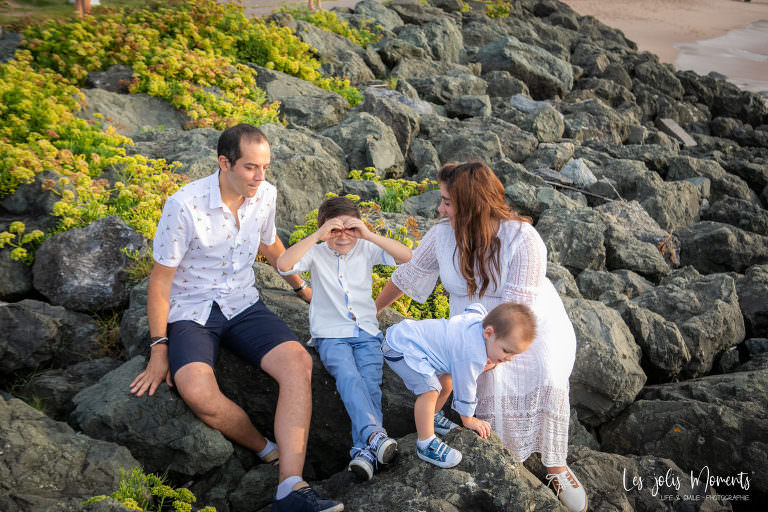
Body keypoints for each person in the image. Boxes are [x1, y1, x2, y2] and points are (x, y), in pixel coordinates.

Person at [129, 124, 343, 512]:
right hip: (191, 311)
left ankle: (291, 488)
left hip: (243, 302)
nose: (260, 177)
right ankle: (264, 447)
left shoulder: (265, 195)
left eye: (265, 167)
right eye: (250, 168)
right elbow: (160, 282)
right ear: (223, 162)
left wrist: (301, 288)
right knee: (195, 389)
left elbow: (269, 242)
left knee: (298, 361)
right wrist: (159, 349)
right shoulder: (183, 205)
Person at [375, 161, 588, 512]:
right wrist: (374, 311)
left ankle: (554, 463)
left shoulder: (522, 239)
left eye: (447, 201)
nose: (440, 208)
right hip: (473, 326)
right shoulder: (444, 234)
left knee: (546, 372)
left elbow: (520, 309)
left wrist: (493, 354)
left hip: (522, 322)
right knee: (480, 383)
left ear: (472, 204)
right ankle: (510, 462)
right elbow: (409, 273)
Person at [276, 196, 412, 481]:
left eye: (349, 229)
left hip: (366, 333)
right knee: (348, 378)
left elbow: (406, 256)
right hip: (331, 336)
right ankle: (376, 436)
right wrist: (317, 234)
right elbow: (283, 265)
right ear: (324, 229)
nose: (342, 237)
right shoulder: (315, 252)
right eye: (334, 230)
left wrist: (367, 233)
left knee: (370, 386)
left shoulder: (365, 248)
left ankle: (363, 452)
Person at [383, 302, 536, 468]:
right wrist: (468, 419)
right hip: (401, 348)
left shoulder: (479, 321)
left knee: (447, 382)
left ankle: (431, 417)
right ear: (488, 333)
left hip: (409, 336)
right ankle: (425, 444)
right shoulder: (471, 355)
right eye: (506, 351)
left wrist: (496, 357)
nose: (510, 358)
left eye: (515, 354)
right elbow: (466, 387)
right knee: (430, 390)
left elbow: (475, 307)